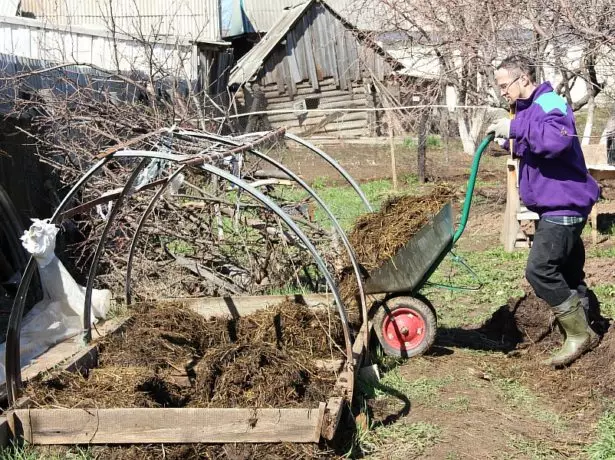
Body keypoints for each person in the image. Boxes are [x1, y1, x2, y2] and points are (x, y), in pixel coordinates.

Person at [486, 55, 600, 367]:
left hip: (564, 204)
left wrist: (515, 126)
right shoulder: (529, 110)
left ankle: (580, 335)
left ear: (523, 79)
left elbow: (555, 142)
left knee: (539, 270)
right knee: (567, 273)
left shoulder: (551, 102)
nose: (502, 92)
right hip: (556, 205)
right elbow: (535, 148)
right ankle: (588, 328)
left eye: (504, 85)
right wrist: (508, 138)